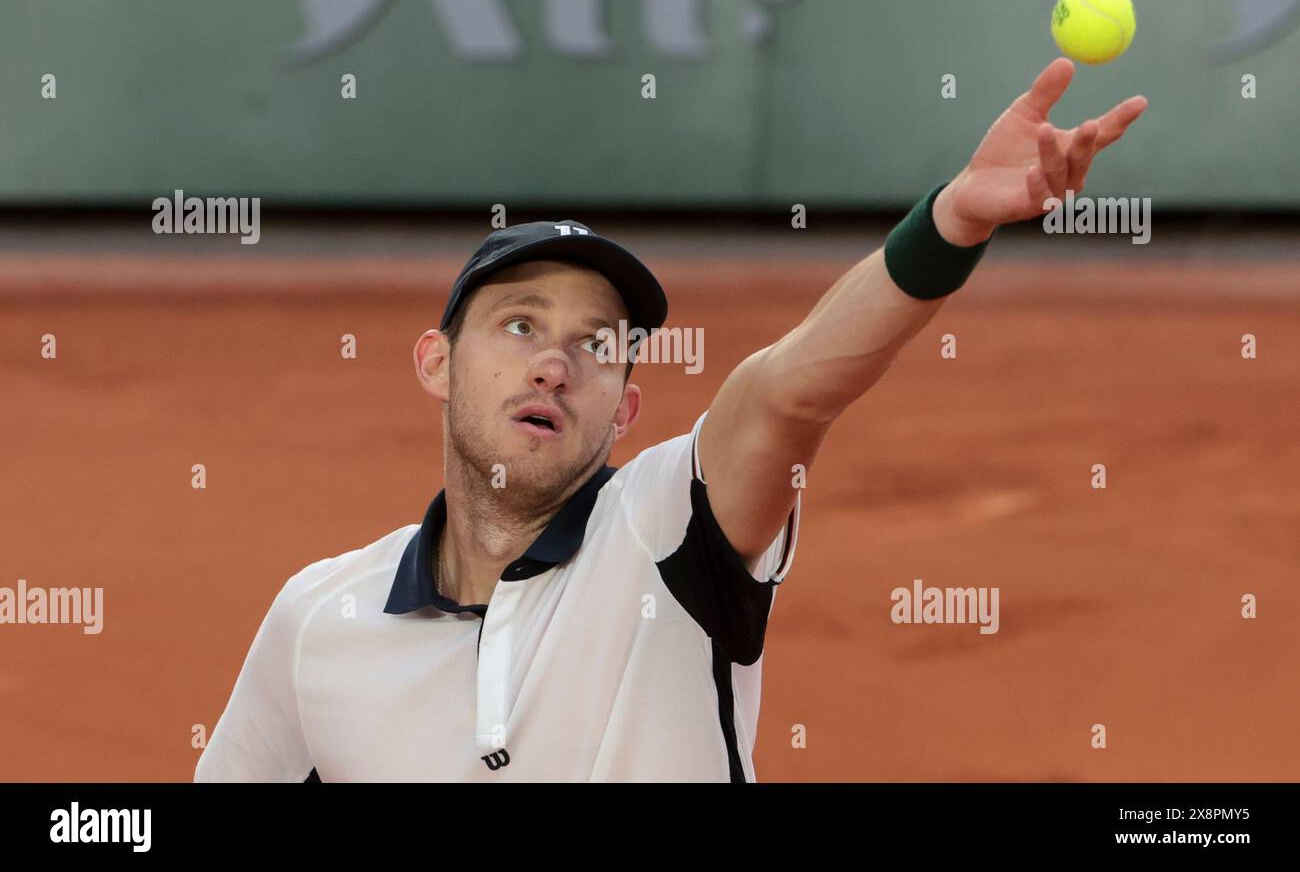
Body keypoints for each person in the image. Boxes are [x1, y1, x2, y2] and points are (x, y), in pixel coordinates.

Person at [194, 58, 1146, 782]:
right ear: (436, 363)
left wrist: (950, 224)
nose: (556, 363)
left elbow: (788, 391)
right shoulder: (320, 617)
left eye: (598, 345)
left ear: (627, 408)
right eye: (518, 324)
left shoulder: (665, 528)